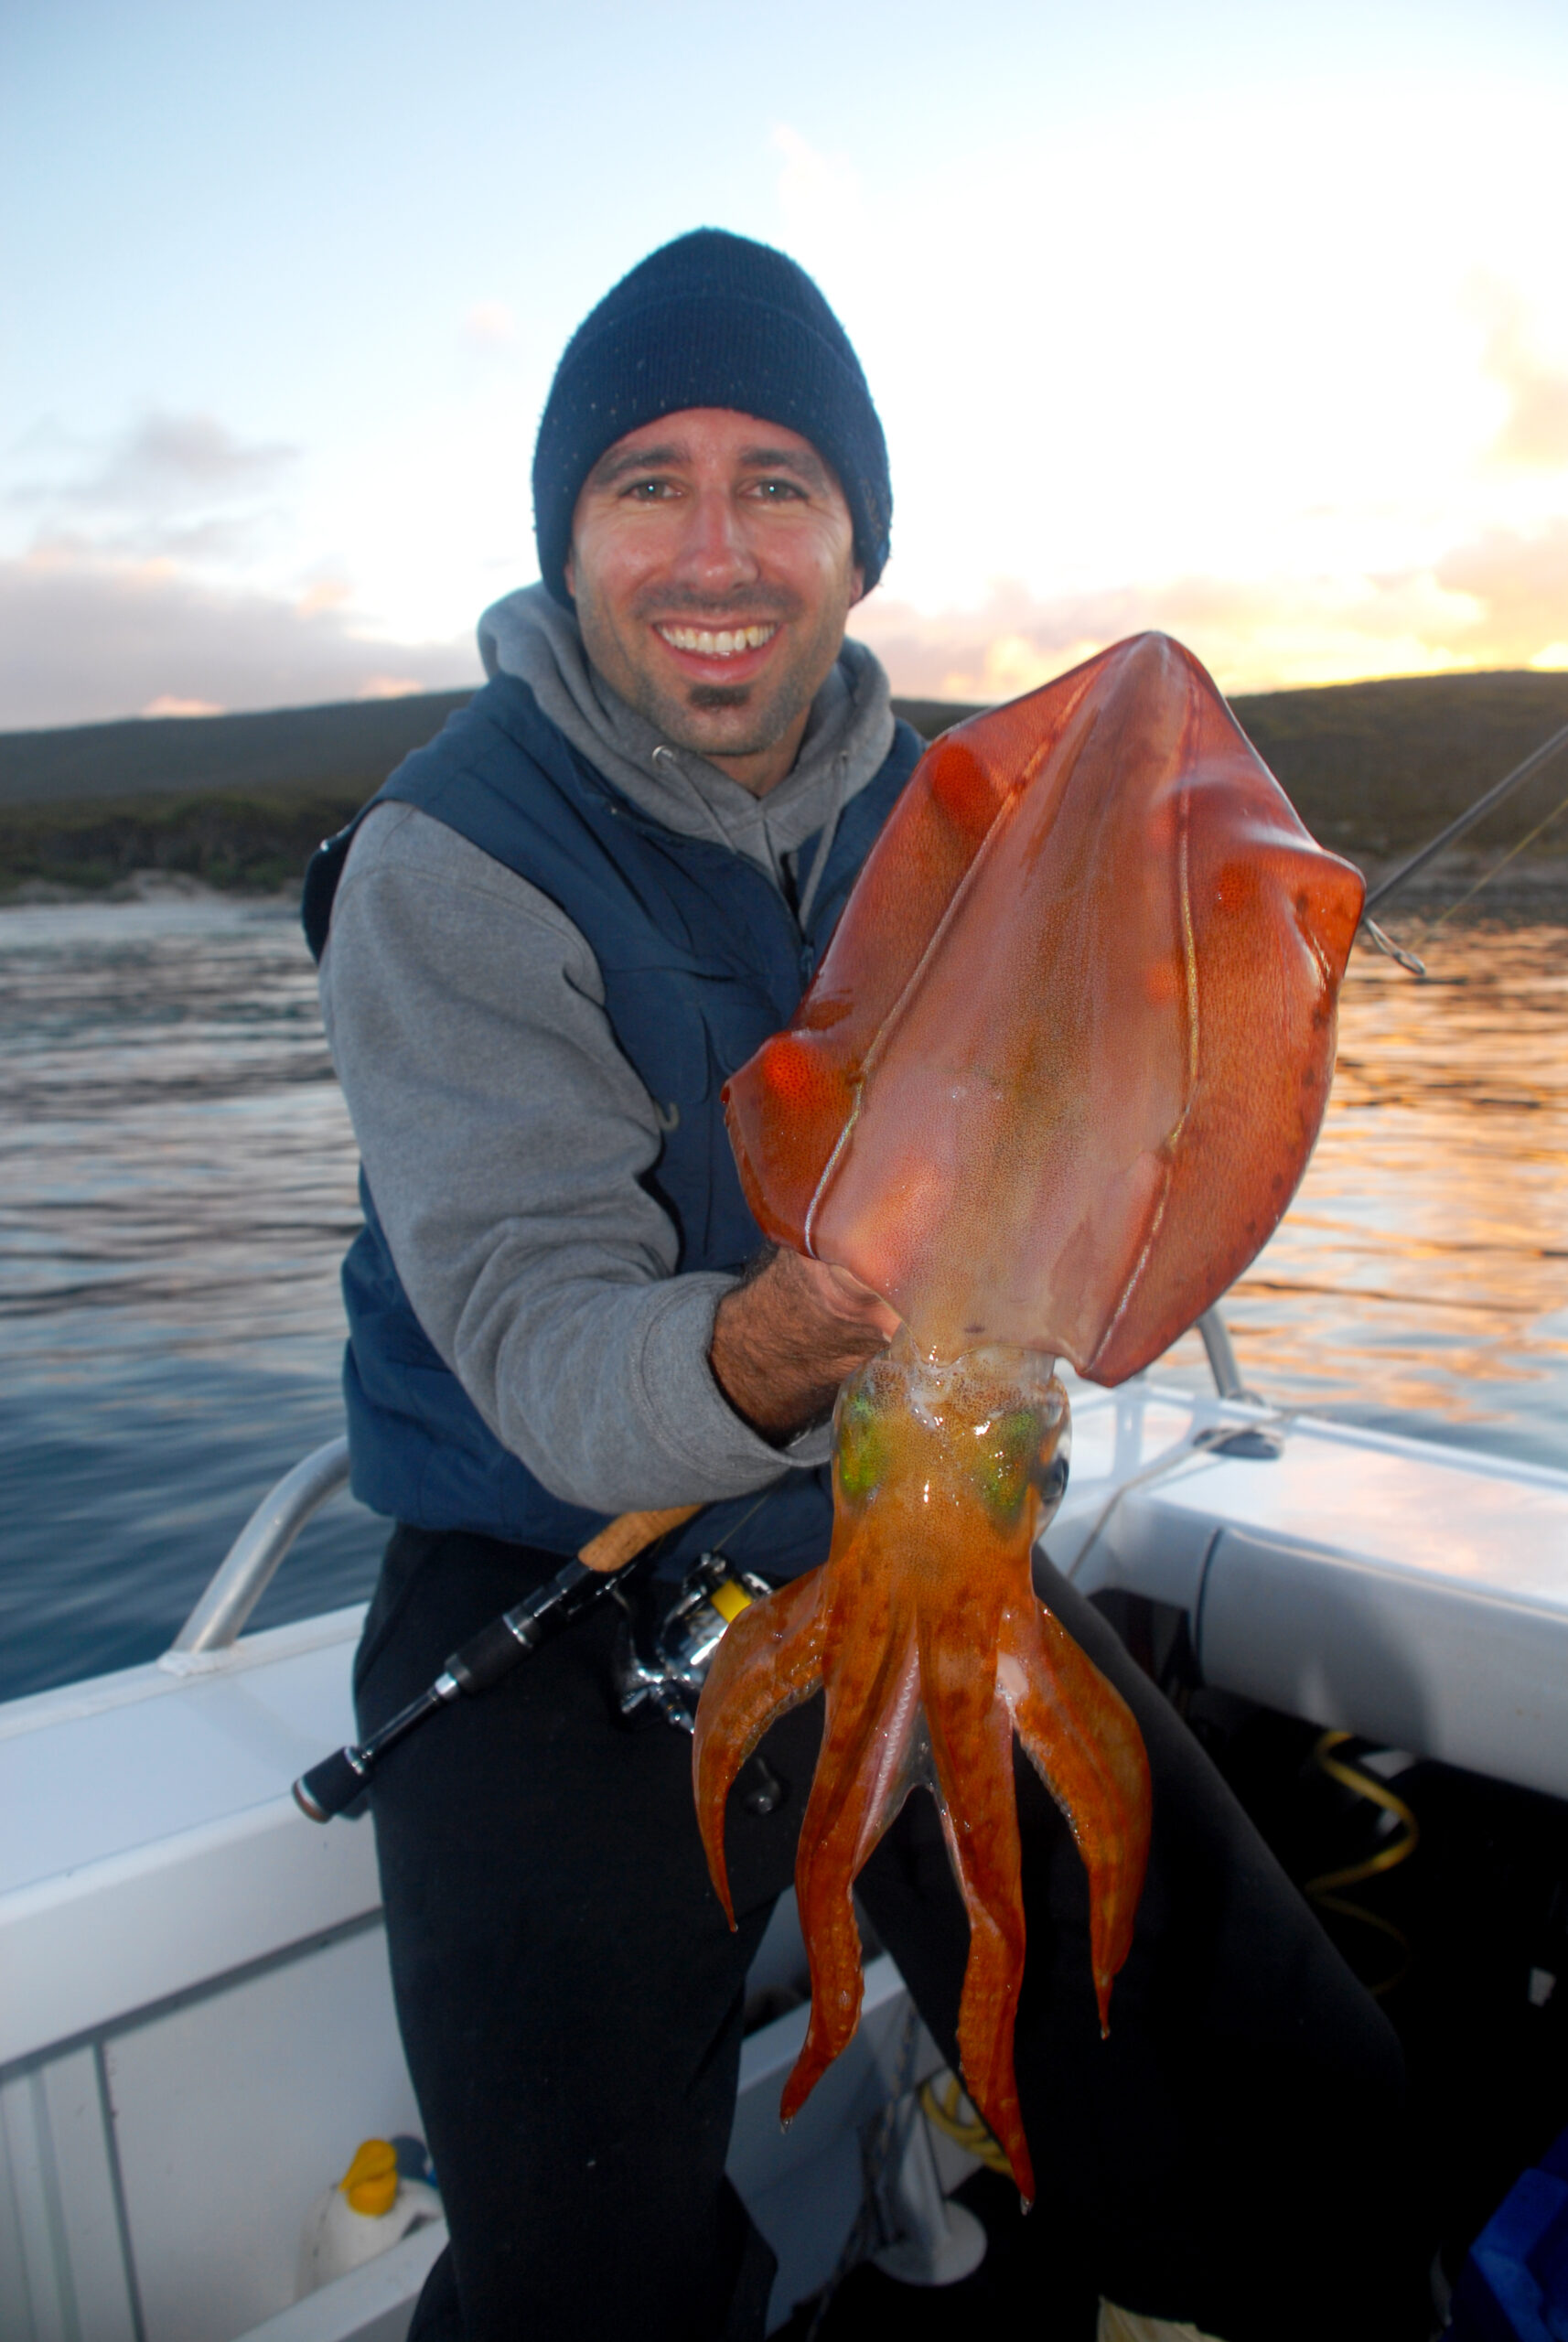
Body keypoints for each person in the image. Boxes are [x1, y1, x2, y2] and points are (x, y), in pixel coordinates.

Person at [306, 229, 1413, 2342]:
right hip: (537, 1559)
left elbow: (1130, 1115)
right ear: (567, 532)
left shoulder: (987, 817)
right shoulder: (448, 857)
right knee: (587, 2270)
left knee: (1276, 2094)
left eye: (775, 484)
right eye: (647, 483)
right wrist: (772, 1341)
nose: (713, 544)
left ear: (851, 538)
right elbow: (541, 1340)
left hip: (906, 1510)